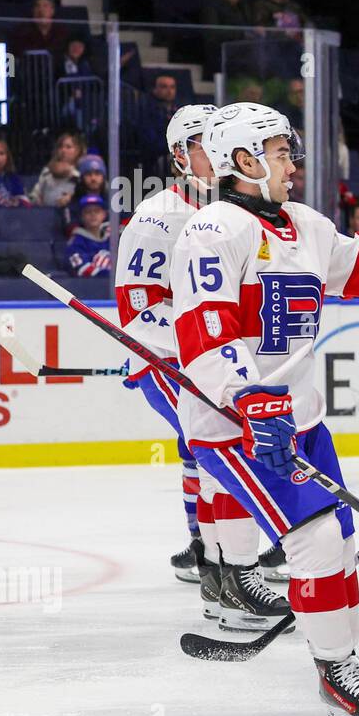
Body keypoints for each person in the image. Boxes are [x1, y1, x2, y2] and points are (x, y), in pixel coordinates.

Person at [171, 102, 359, 716]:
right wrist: (249, 399)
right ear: (243, 162)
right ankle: (337, 670)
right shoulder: (210, 231)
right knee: (315, 538)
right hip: (235, 423)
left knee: (337, 543)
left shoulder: (303, 223)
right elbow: (203, 332)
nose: (291, 162)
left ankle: (344, 654)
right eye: (280, 151)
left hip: (299, 418)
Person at [115, 105, 234, 602]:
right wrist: (202, 343)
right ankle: (219, 561)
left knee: (207, 448)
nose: (218, 153)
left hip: (206, 356)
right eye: (207, 143)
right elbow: (137, 307)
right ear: (181, 154)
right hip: (165, 359)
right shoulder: (158, 216)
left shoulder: (232, 209)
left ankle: (215, 547)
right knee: (215, 443)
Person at [65, 195, 111, 276]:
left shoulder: (112, 239)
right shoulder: (75, 243)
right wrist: (113, 276)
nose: (93, 214)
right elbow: (83, 270)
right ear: (82, 216)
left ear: (104, 214)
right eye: (88, 211)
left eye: (97, 211)